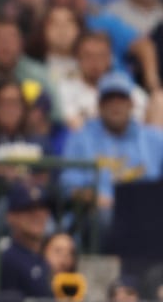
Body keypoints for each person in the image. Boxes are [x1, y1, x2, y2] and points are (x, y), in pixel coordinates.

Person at [60, 73, 163, 230]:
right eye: (109, 99)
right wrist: (95, 198)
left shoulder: (154, 139)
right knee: (105, 217)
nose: (115, 105)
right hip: (100, 215)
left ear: (131, 103)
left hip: (147, 213)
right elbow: (68, 187)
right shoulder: (80, 139)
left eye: (121, 98)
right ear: (100, 105)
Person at [0, 181, 54, 297]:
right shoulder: (10, 259)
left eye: (42, 207)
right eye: (28, 209)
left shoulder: (46, 257)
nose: (38, 214)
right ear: (11, 216)